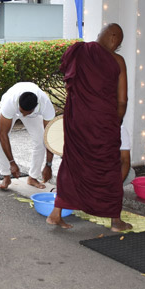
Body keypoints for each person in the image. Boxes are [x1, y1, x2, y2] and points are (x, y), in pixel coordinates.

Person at [48, 23, 132, 232]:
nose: (117, 48)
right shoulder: (117, 61)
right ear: (113, 38)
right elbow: (122, 101)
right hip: (103, 122)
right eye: (118, 43)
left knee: (72, 162)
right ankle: (115, 220)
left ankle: (55, 214)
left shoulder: (79, 51)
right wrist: (114, 121)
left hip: (78, 120)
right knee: (108, 167)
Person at [0, 82, 56, 190]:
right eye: (21, 112)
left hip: (33, 113)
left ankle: (32, 177)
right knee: (0, 140)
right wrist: (12, 163)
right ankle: (6, 176)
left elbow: (50, 137)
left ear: (35, 108)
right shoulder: (10, 102)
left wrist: (48, 165)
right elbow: (3, 135)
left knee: (40, 140)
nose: (23, 116)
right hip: (12, 109)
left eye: (26, 113)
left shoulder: (45, 105)